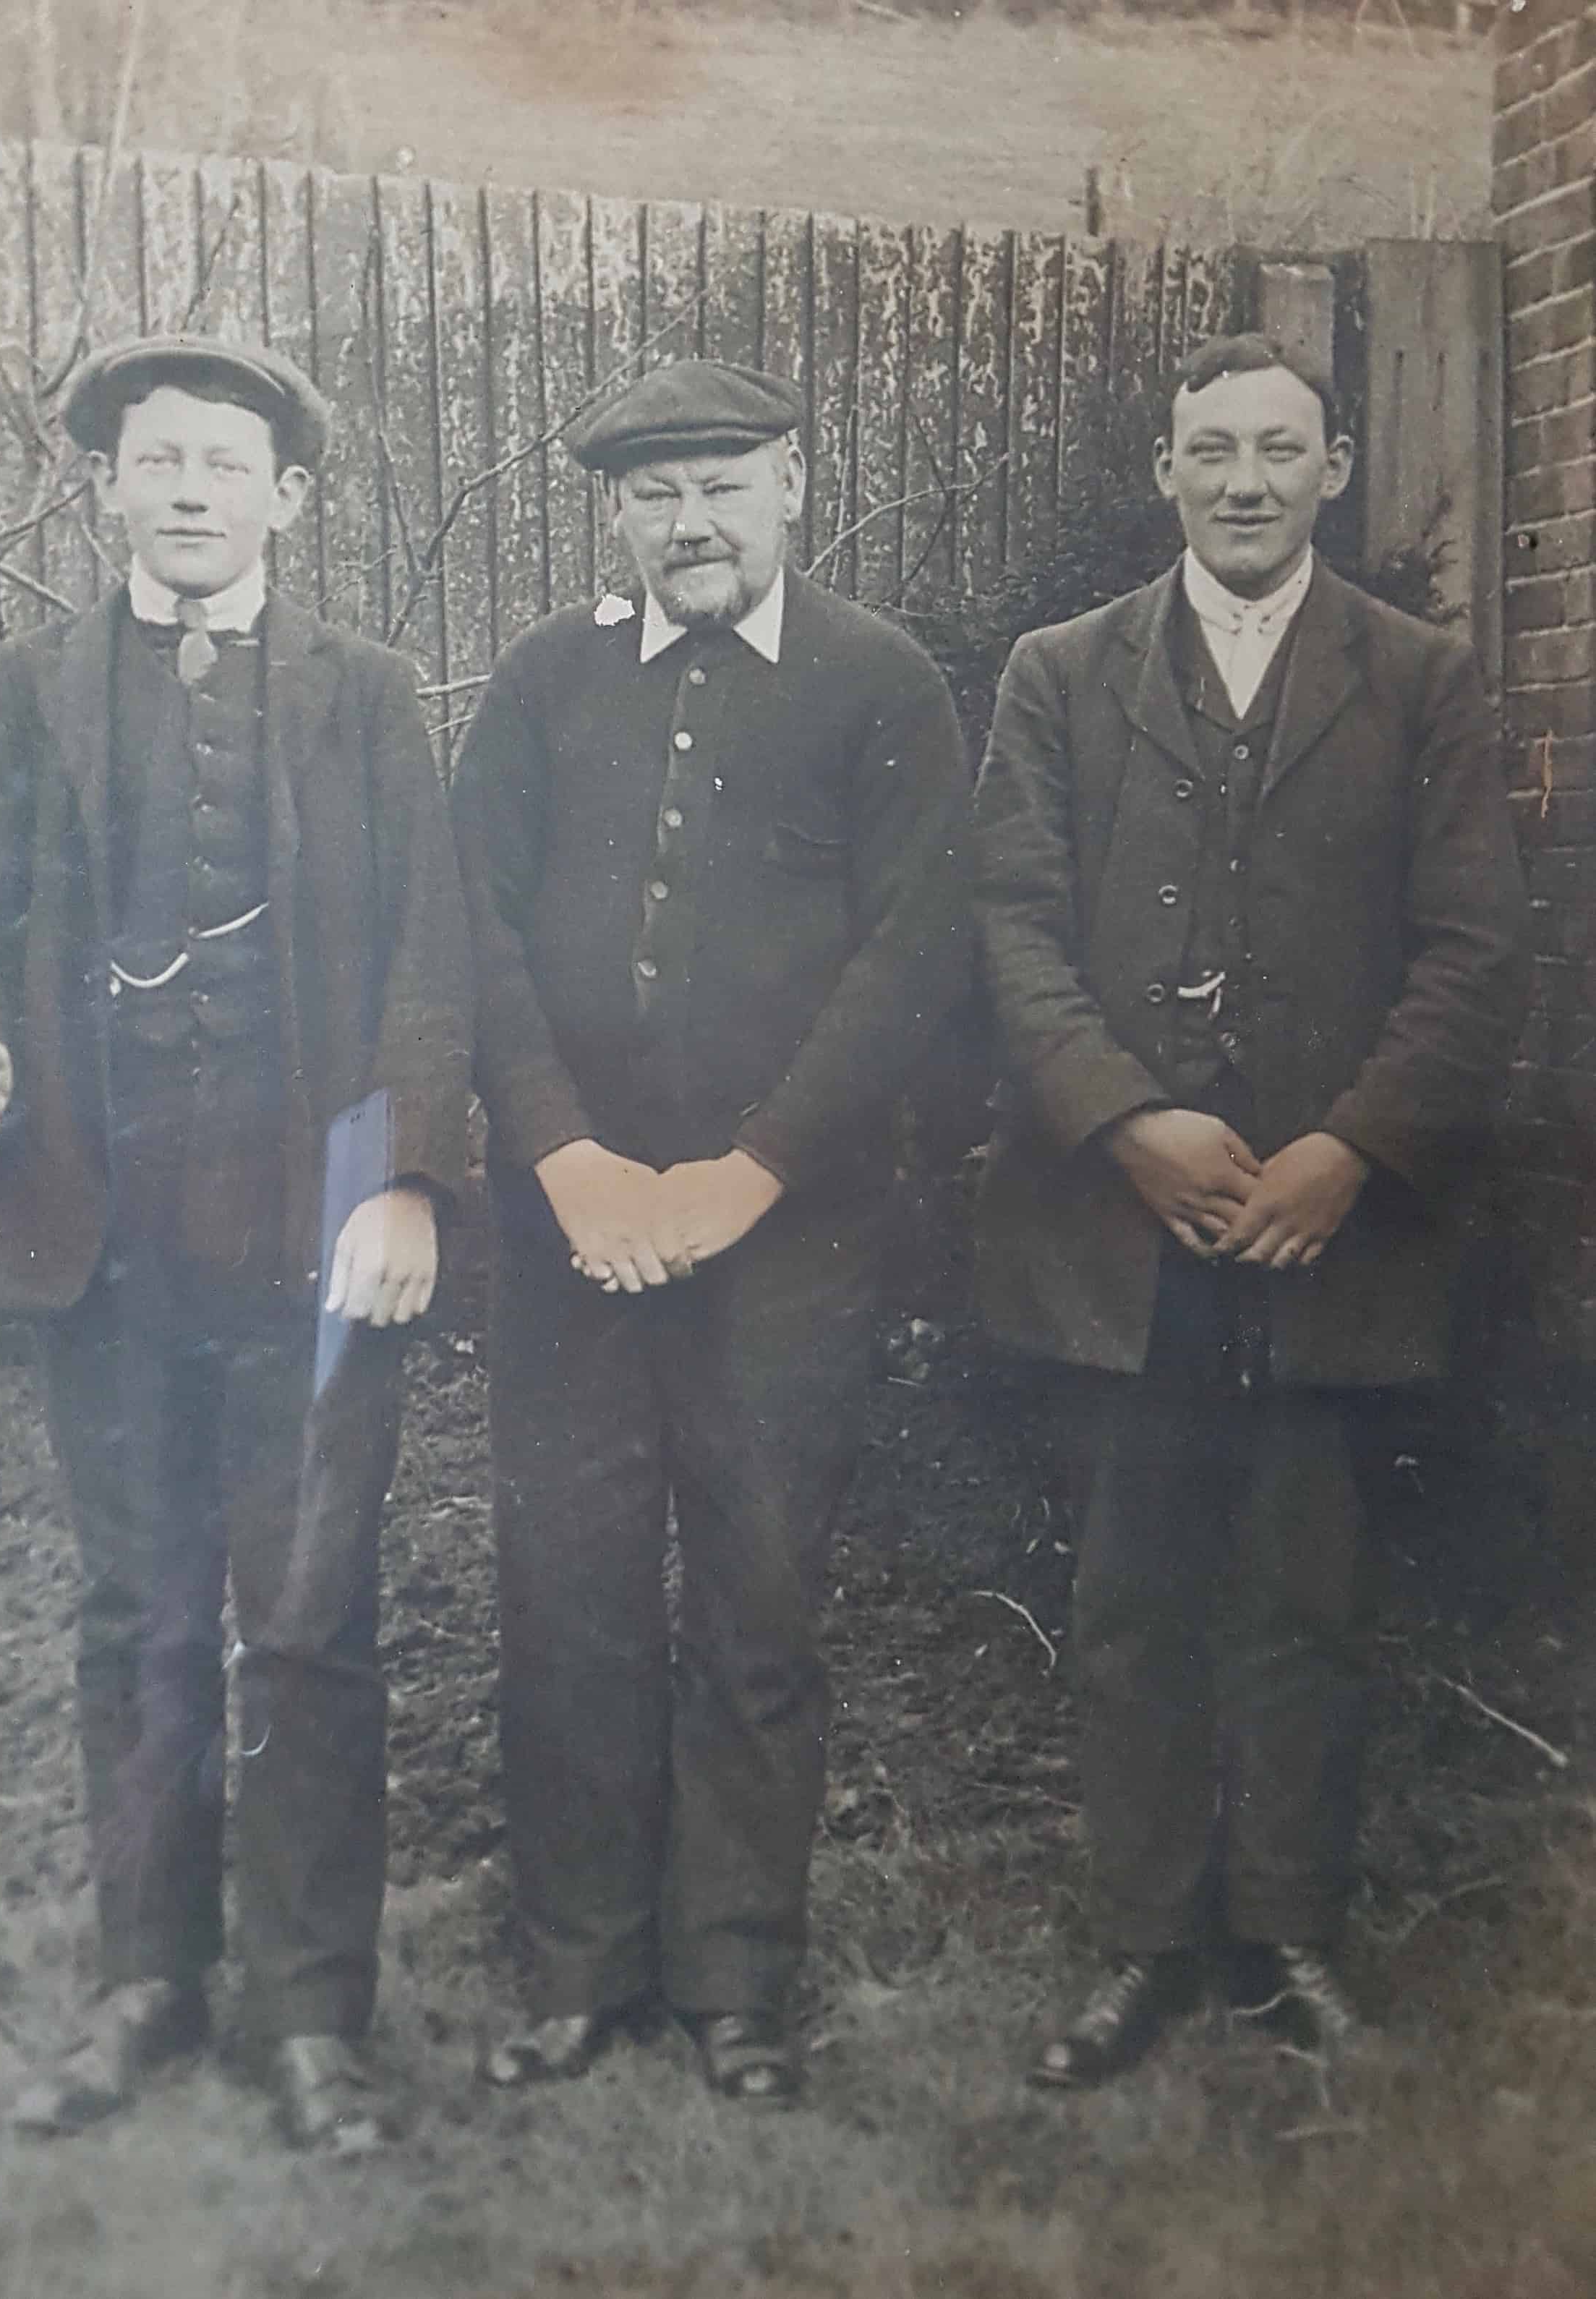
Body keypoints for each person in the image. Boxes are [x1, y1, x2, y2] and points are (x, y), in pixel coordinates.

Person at [0, 336, 471, 2154]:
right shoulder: (29, 689)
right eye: (159, 461)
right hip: (104, 1244)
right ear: (107, 487)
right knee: (135, 1613)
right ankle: (147, 1982)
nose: (193, 490)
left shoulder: (367, 697)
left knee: (306, 1624)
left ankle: (308, 2016)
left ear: (289, 497)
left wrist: (400, 1180)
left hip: (308, 1254)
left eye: (228, 461)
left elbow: (429, 965)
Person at [973, 333, 1527, 2085]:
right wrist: (1122, 1120)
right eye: (1209, 449)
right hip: (1120, 1222)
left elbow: (1474, 949)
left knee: (1303, 1581)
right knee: (1133, 1586)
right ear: (1164, 470)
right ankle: (1142, 1947)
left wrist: (1350, 1149)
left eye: (1277, 450)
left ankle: (1286, 1934)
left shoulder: (1421, 676)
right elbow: (1007, 925)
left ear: (1333, 466)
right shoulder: (1060, 674)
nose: (1242, 482)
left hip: (1322, 1224)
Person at [452, 359, 972, 2105]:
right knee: (571, 1600)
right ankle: (583, 1967)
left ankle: (737, 1978)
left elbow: (910, 962)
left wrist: (746, 1175)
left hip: (791, 1242)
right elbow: (481, 933)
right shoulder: (545, 682)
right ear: (617, 511)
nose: (691, 523)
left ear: (793, 488)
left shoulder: (881, 684)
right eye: (657, 493)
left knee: (759, 1608)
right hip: (568, 1239)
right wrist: (567, 1163)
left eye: (724, 487)